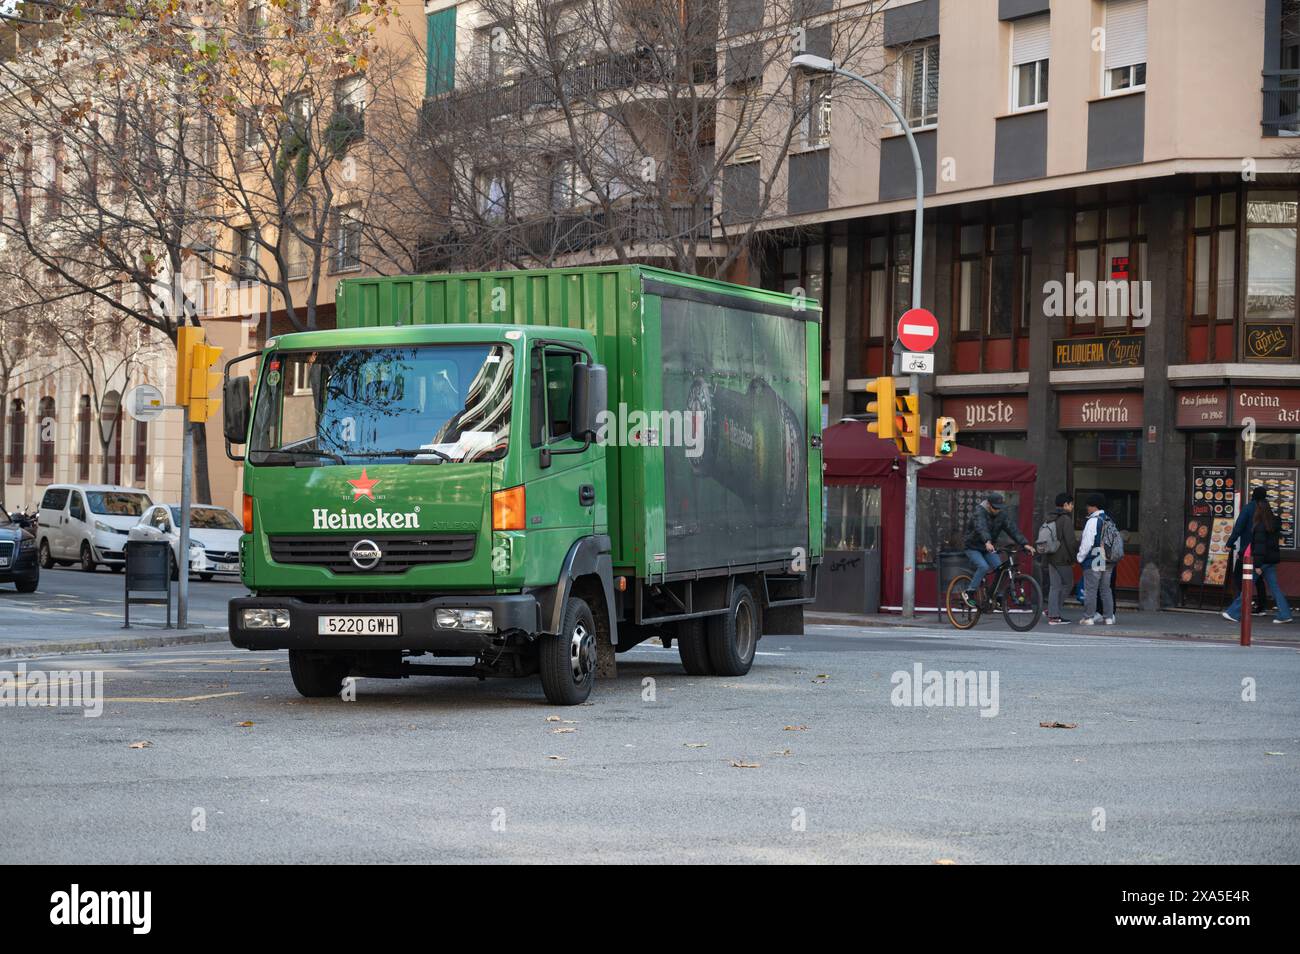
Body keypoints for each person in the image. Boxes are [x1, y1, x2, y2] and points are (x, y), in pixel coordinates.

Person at [1223, 488, 1293, 624]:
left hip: (1256, 557)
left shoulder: (1257, 522)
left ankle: (1234, 612)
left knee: (1247, 584)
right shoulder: (1271, 520)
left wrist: (1258, 565)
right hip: (1269, 559)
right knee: (1273, 587)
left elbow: (1258, 545)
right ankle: (1284, 613)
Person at [962, 492, 1035, 608]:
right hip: (973, 546)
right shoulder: (979, 512)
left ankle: (996, 596)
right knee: (983, 566)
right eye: (995, 508)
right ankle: (969, 592)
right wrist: (987, 541)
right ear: (989, 504)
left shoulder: (1001, 514)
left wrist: (1025, 543)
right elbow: (982, 527)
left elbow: (1013, 529)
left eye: (999, 508)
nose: (997, 510)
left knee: (1002, 569)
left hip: (988, 547)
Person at [1076, 493, 1116, 626]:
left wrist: (1080, 557)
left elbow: (1087, 542)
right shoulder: (1109, 520)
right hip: (1109, 558)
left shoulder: (1093, 521)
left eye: (1089, 505)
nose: (1087, 508)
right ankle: (1109, 617)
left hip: (1096, 556)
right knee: (1106, 589)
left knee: (1091, 589)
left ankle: (1088, 617)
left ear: (1094, 506)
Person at [1042, 493, 1078, 625]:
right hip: (1062, 558)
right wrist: (1075, 558)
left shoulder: (1049, 518)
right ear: (1065, 505)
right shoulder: (1065, 519)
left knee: (1054, 586)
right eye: (1071, 504)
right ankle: (1054, 613)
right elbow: (1070, 541)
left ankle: (1052, 612)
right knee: (1068, 584)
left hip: (1050, 556)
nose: (1072, 506)